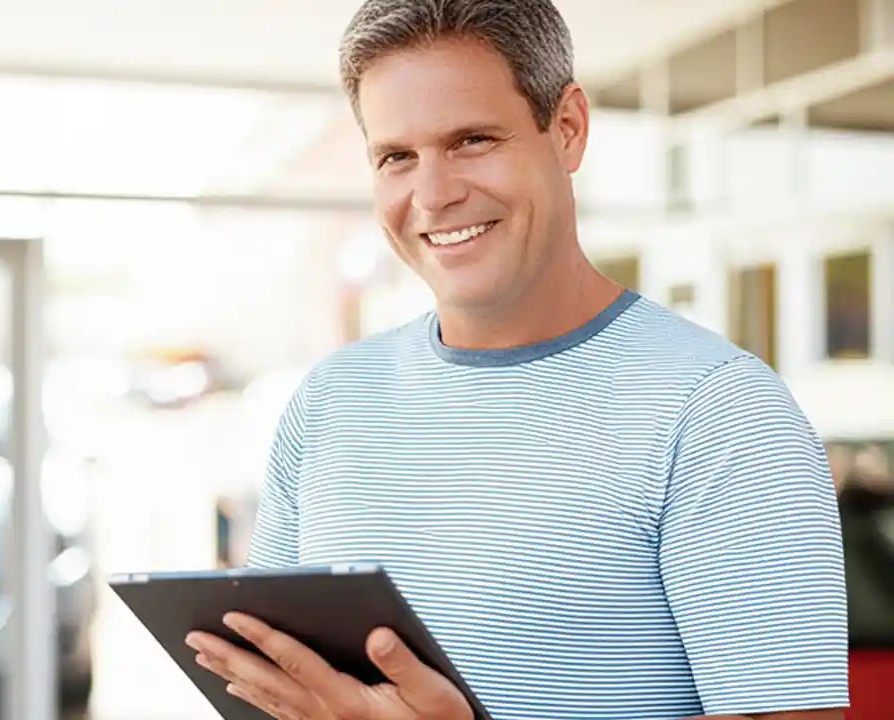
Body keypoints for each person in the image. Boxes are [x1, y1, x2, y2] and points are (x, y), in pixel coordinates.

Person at [184, 1, 848, 719]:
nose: (434, 195)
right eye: (397, 157)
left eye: (472, 140)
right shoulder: (330, 400)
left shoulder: (721, 413)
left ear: (567, 128)